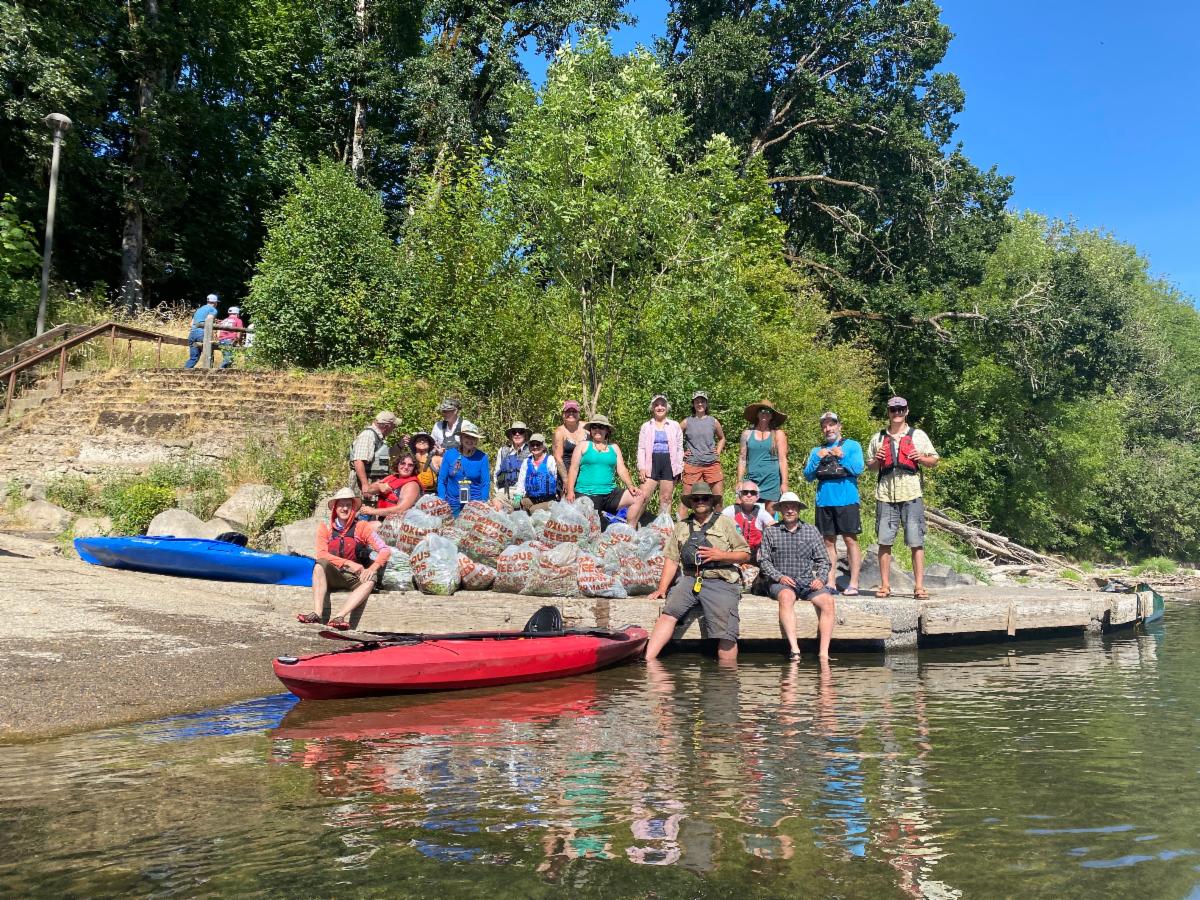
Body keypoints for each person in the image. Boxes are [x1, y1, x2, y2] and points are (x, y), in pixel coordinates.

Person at [644, 483, 750, 663]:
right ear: (691, 503)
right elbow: (671, 559)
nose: (700, 501)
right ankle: (647, 662)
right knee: (669, 613)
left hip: (721, 580)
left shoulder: (726, 522)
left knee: (725, 632)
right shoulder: (681, 526)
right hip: (691, 579)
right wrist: (662, 588)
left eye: (704, 498)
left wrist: (721, 555)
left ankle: (726, 679)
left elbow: (745, 554)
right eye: (696, 498)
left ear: (711, 500)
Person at [865, 396, 939, 599]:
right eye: (893, 410)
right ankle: (885, 585)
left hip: (911, 493)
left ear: (906, 411)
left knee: (916, 540)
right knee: (884, 541)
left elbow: (934, 460)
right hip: (885, 494)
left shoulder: (918, 435)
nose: (897, 413)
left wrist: (920, 458)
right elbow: (870, 468)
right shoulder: (878, 438)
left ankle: (919, 586)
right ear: (888, 412)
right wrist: (877, 461)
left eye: (901, 409)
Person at [298, 488, 392, 629]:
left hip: (353, 578)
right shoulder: (326, 527)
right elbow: (322, 554)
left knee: (371, 579)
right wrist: (348, 563)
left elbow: (385, 550)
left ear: (353, 508)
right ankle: (317, 613)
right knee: (319, 565)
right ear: (335, 508)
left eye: (348, 505)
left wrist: (373, 568)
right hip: (333, 575)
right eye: (341, 505)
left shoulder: (362, 527)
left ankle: (339, 616)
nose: (344, 508)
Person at [758, 492, 836, 660]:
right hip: (781, 581)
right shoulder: (771, 532)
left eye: (793, 507)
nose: (790, 510)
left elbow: (824, 560)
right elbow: (764, 561)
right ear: (780, 510)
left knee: (828, 601)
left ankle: (824, 653)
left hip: (807, 581)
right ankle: (795, 649)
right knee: (787, 596)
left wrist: (820, 579)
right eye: (786, 507)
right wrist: (778, 577)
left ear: (798, 510)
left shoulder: (811, 530)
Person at [802, 411, 865, 595]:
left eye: (831, 424)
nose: (828, 428)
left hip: (847, 500)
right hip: (824, 501)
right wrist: (816, 458)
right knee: (828, 541)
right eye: (825, 426)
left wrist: (842, 456)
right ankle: (830, 581)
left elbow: (858, 469)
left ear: (839, 426)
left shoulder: (852, 445)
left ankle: (853, 583)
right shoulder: (816, 451)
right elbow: (808, 476)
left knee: (850, 539)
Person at [565, 414, 646, 525]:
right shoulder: (583, 445)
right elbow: (573, 469)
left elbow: (621, 469)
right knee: (594, 528)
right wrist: (570, 491)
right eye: (594, 427)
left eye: (601, 427)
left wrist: (630, 485)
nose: (597, 430)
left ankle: (629, 530)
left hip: (610, 493)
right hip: (586, 493)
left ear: (607, 430)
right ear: (590, 430)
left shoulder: (614, 447)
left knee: (639, 497)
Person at [737, 400, 789, 514]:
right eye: (762, 411)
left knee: (770, 512)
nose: (765, 413)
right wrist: (739, 481)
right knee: (744, 511)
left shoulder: (778, 434)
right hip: (752, 478)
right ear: (757, 414)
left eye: (768, 411)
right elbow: (742, 459)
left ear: (772, 415)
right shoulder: (747, 433)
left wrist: (784, 483)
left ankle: (768, 532)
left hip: (772, 480)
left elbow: (782, 459)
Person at [636, 394, 683, 517]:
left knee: (666, 498)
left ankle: (663, 530)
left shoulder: (675, 425)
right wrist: (641, 467)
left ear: (667, 407)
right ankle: (632, 525)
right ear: (652, 408)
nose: (660, 407)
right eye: (656, 405)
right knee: (643, 497)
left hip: (669, 464)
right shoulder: (646, 426)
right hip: (651, 463)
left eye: (662, 404)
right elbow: (641, 448)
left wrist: (679, 468)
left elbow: (679, 448)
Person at [681, 390, 726, 503]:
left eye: (702, 401)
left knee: (718, 498)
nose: (700, 404)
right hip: (692, 464)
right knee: (687, 499)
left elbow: (722, 438)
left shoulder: (713, 421)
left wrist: (718, 451)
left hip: (712, 464)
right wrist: (681, 453)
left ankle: (717, 520)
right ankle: (682, 521)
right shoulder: (686, 422)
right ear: (693, 404)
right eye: (697, 401)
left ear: (706, 404)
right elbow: (673, 438)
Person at [437, 425, 491, 516]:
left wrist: (482, 503)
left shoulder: (482, 457)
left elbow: (485, 483)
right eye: (467, 436)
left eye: (473, 438)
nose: (470, 440)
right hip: (452, 504)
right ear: (461, 438)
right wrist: (442, 501)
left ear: (476, 440)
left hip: (474, 505)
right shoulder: (450, 454)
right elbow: (442, 481)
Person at [721, 480, 774, 563]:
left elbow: (773, 527)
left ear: (757, 496)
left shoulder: (761, 512)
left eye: (753, 493)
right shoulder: (731, 510)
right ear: (740, 495)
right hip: (734, 553)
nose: (749, 495)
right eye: (745, 492)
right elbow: (717, 524)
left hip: (755, 554)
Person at [348, 411, 397, 497]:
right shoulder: (368, 435)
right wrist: (365, 485)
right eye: (393, 425)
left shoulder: (379, 437)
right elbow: (358, 460)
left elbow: (384, 455)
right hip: (366, 482)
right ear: (387, 426)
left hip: (374, 481)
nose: (394, 428)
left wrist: (400, 445)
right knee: (363, 508)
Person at [363, 452, 421, 519]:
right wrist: (379, 486)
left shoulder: (412, 485)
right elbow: (370, 490)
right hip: (385, 519)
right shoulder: (392, 477)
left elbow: (400, 510)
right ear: (398, 464)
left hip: (401, 523)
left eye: (410, 465)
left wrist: (373, 511)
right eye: (403, 463)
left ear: (414, 468)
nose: (406, 467)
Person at [514, 433, 559, 512]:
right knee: (522, 504)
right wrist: (518, 496)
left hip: (548, 499)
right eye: (532, 444)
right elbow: (521, 481)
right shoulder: (526, 462)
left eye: (538, 444)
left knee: (533, 510)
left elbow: (556, 478)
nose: (535, 447)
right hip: (532, 498)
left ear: (543, 446)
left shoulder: (550, 460)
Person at [494, 421, 532, 507]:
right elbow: (496, 473)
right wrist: (498, 491)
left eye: (521, 431)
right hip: (504, 491)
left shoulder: (531, 451)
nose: (517, 434)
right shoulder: (503, 451)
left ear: (525, 435)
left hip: (524, 492)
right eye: (514, 432)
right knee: (496, 504)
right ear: (511, 435)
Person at [552, 400, 587, 493]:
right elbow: (558, 458)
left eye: (574, 411)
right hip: (566, 472)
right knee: (567, 505)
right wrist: (566, 480)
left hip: (585, 473)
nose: (571, 414)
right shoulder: (559, 432)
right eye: (568, 411)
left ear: (579, 414)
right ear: (563, 414)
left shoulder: (587, 427)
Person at [183, 293, 219, 369]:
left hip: (192, 333)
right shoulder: (213, 310)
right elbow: (209, 320)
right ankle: (209, 373)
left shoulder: (199, 309)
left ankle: (185, 370)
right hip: (202, 332)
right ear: (215, 302)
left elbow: (191, 323)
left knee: (194, 357)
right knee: (209, 352)